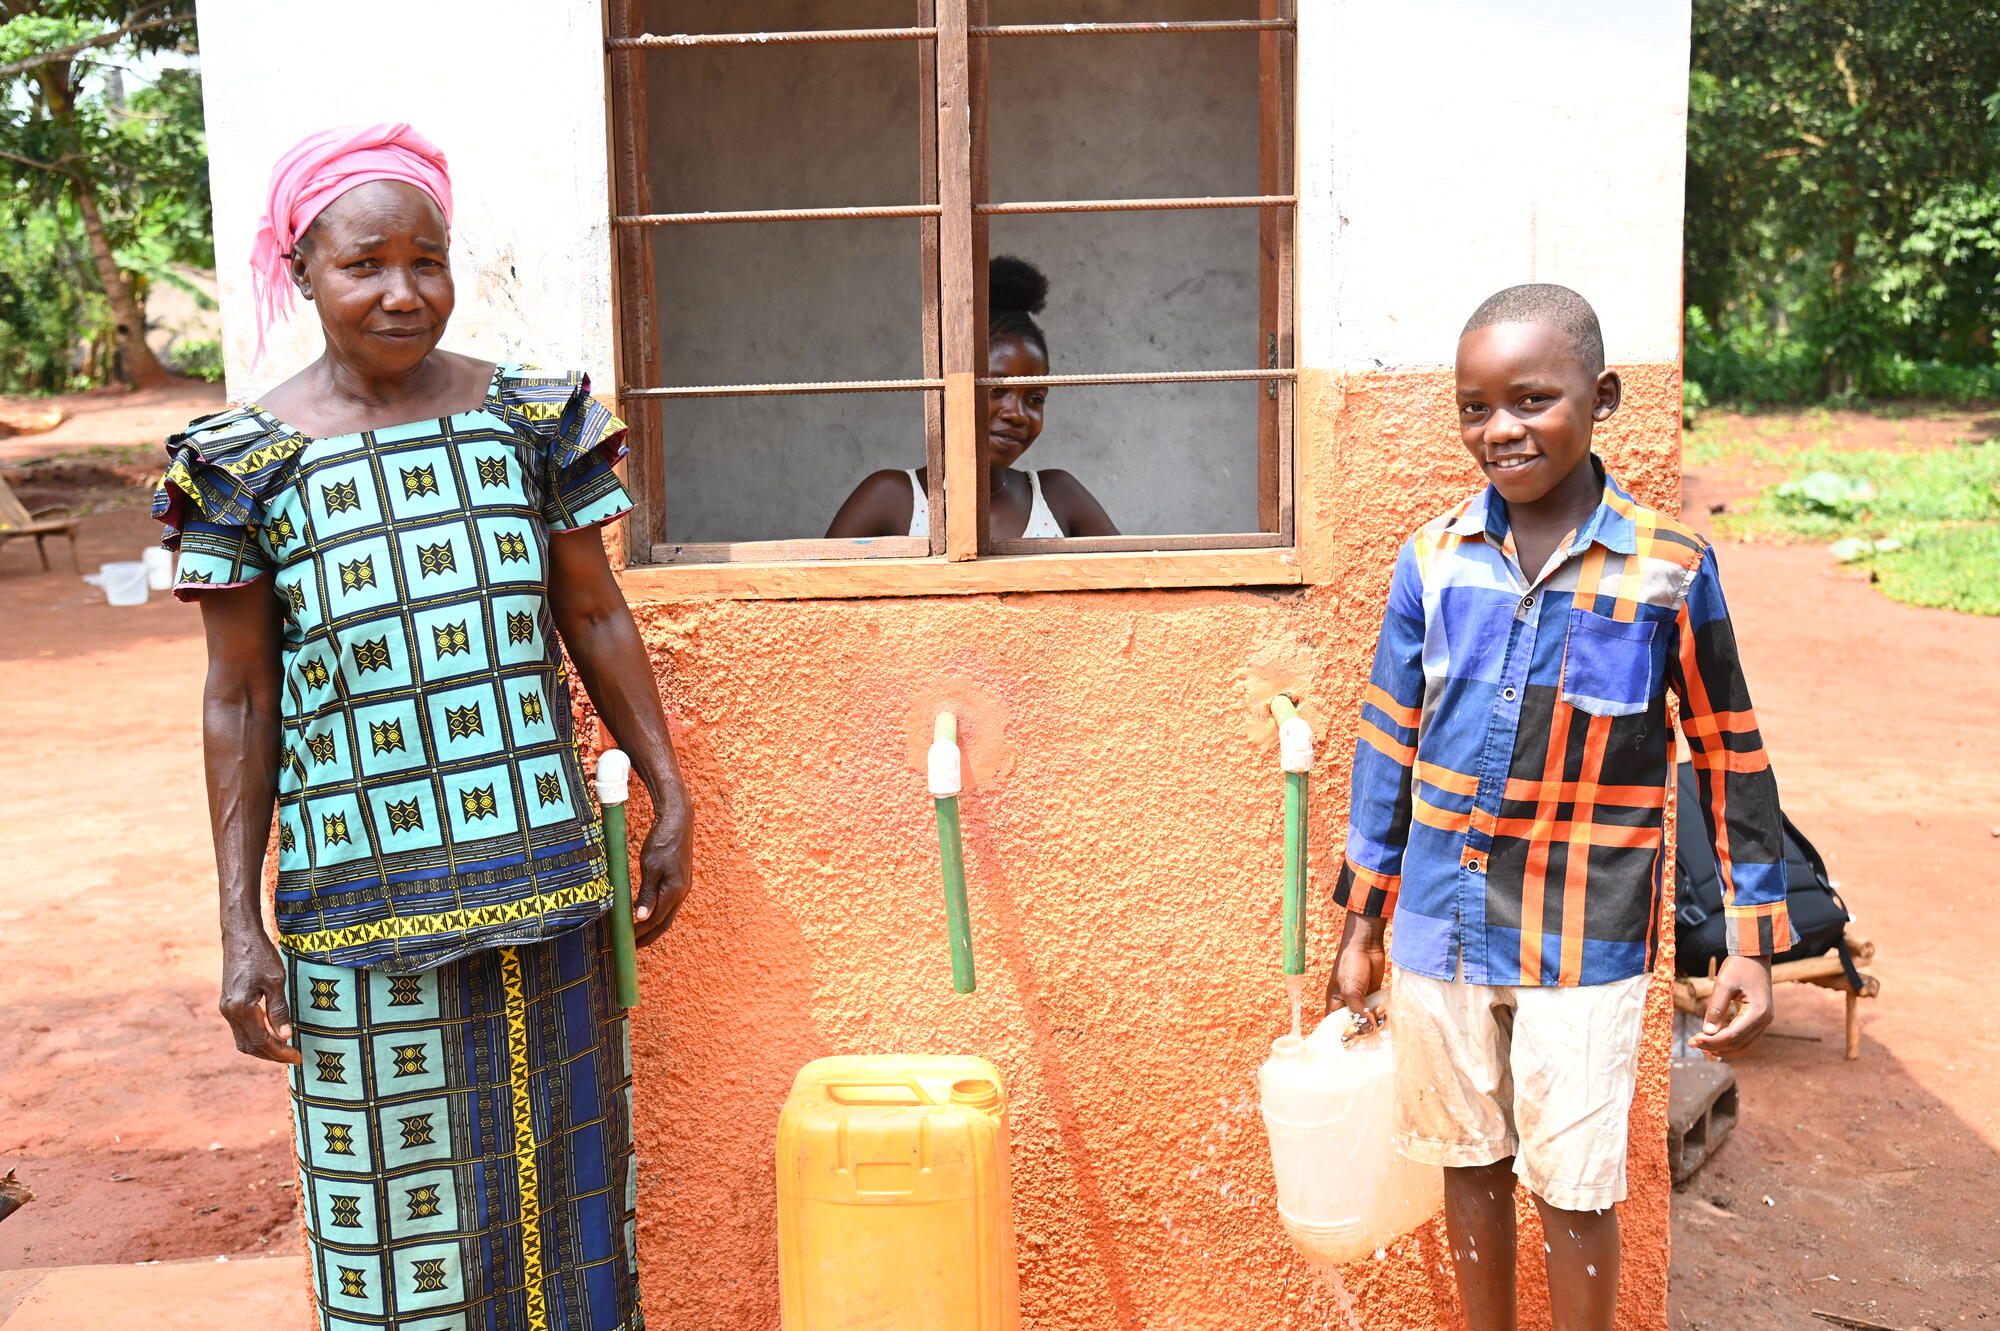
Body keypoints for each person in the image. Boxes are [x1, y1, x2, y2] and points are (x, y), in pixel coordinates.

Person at [152, 124, 690, 1330]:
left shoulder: (528, 422)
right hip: (356, 914)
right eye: (364, 264)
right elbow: (238, 698)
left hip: (546, 895)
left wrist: (671, 793)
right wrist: (239, 925)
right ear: (302, 273)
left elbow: (594, 613)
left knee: (567, 1216)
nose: (403, 292)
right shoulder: (245, 464)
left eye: (427, 260)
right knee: (395, 1245)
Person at [1325, 284, 1788, 1331]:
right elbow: (1388, 741)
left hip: (1585, 938)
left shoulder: (1666, 567)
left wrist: (1750, 944)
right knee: (1467, 1162)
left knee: (1574, 1184)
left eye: (1530, 399)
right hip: (1440, 925)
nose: (1500, 429)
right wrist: (1361, 919)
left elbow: (1727, 755)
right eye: (1474, 406)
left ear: (1602, 396)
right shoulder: (1432, 559)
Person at [826, 256, 1118, 540]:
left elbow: (1141, 584)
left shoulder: (1058, 496)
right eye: (997, 390)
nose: (1017, 414)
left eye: (1035, 399)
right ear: (951, 386)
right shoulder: (892, 497)